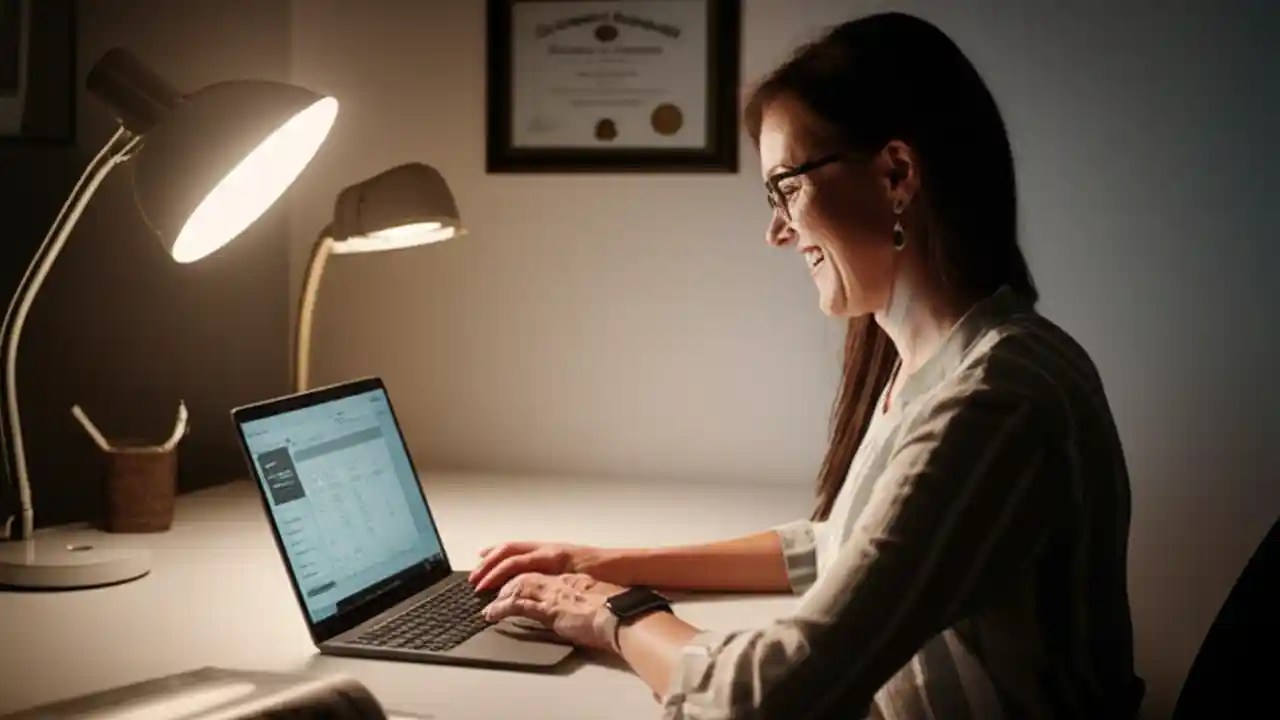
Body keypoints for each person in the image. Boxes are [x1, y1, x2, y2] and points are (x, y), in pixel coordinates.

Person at [470, 11, 1145, 719]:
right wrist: (604, 562)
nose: (777, 231)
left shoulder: (995, 402)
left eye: (785, 186)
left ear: (896, 174)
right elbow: (836, 542)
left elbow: (767, 699)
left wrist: (618, 613)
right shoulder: (947, 363)